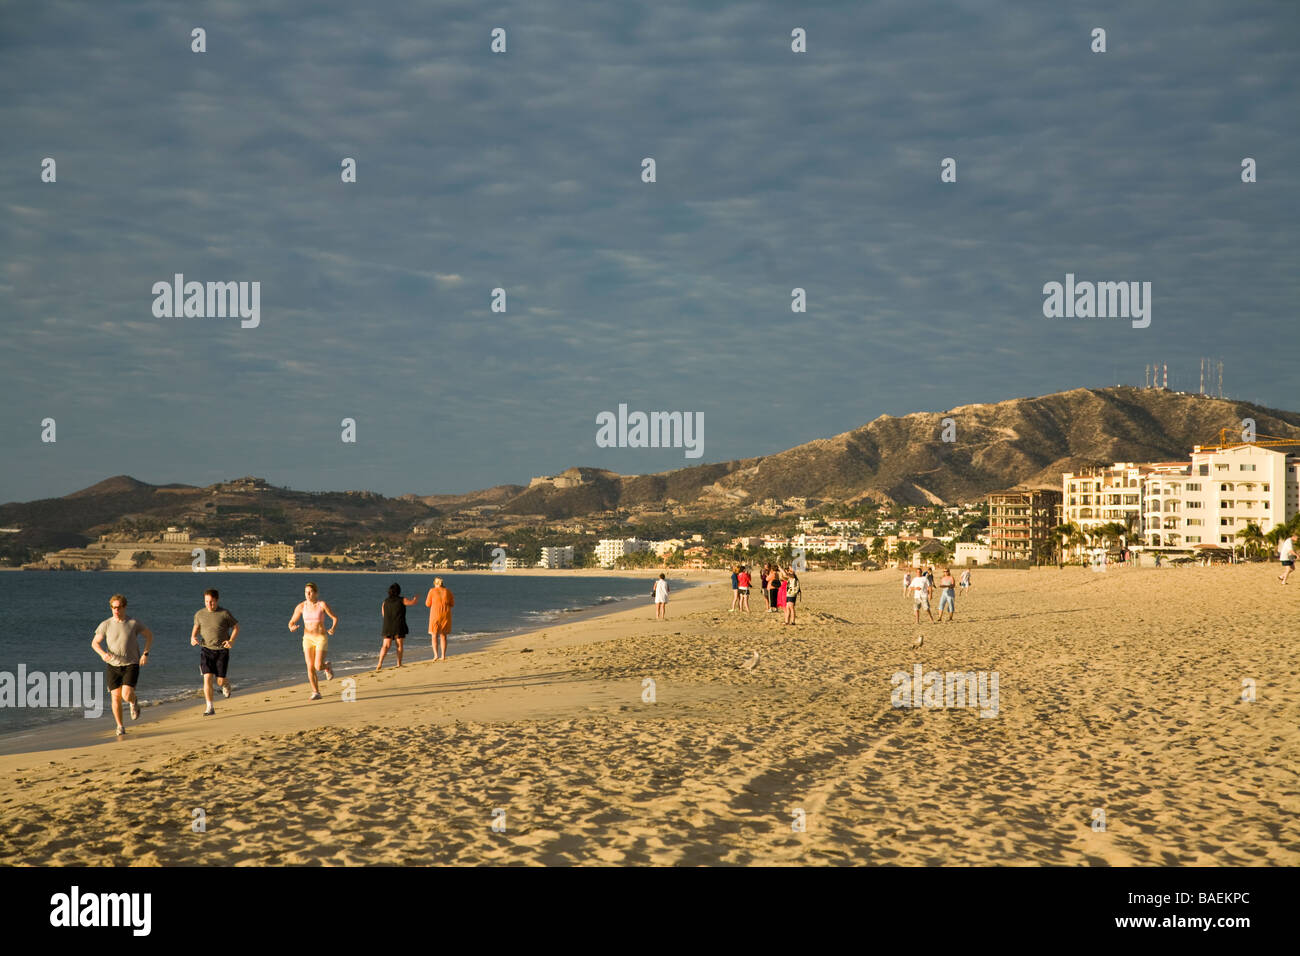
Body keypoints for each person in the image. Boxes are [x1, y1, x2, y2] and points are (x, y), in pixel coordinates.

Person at [90, 594, 154, 737]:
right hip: (113, 665)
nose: (116, 610)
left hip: (131, 663)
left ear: (124, 607)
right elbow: (95, 643)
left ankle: (133, 701)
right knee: (115, 697)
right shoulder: (105, 624)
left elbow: (149, 636)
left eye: (118, 607)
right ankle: (120, 726)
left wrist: (145, 654)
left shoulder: (133, 623)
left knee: (126, 695)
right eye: (113, 607)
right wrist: (102, 654)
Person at [190, 588, 238, 716]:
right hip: (206, 650)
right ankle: (209, 707)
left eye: (211, 602)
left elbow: (236, 627)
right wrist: (193, 637)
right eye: (206, 601)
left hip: (222, 651)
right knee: (207, 678)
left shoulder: (224, 613)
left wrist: (231, 641)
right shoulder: (199, 614)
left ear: (217, 600)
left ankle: (226, 684)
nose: (209, 604)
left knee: (220, 681)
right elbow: (196, 628)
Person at [288, 582, 338, 700]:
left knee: (317, 666)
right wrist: (291, 627)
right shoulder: (301, 606)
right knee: (310, 666)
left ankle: (326, 666)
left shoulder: (322, 605)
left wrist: (332, 628)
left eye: (310, 592)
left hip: (321, 638)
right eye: (306, 592)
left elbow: (334, 618)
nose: (308, 594)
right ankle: (316, 692)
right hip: (307, 639)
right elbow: (291, 621)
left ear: (316, 593)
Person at [377, 582, 418, 670]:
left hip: (387, 626)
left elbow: (383, 614)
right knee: (399, 645)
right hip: (399, 625)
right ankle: (399, 663)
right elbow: (411, 603)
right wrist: (415, 599)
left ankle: (380, 663)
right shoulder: (402, 600)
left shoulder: (385, 601)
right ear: (398, 591)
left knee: (385, 646)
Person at [425, 577, 455, 660]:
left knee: (434, 635)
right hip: (445, 614)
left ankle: (435, 655)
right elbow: (452, 604)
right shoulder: (448, 591)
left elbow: (427, 604)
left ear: (435, 583)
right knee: (443, 635)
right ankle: (443, 655)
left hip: (435, 615)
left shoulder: (432, 591)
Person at [910, 570, 934, 638]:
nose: (918, 573)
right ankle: (917, 621)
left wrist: (930, 595)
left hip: (924, 595)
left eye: (919, 572)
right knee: (916, 608)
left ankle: (931, 618)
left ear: (921, 572)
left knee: (926, 608)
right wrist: (915, 588)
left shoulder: (924, 578)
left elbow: (929, 587)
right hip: (917, 596)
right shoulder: (915, 579)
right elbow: (911, 587)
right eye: (917, 572)